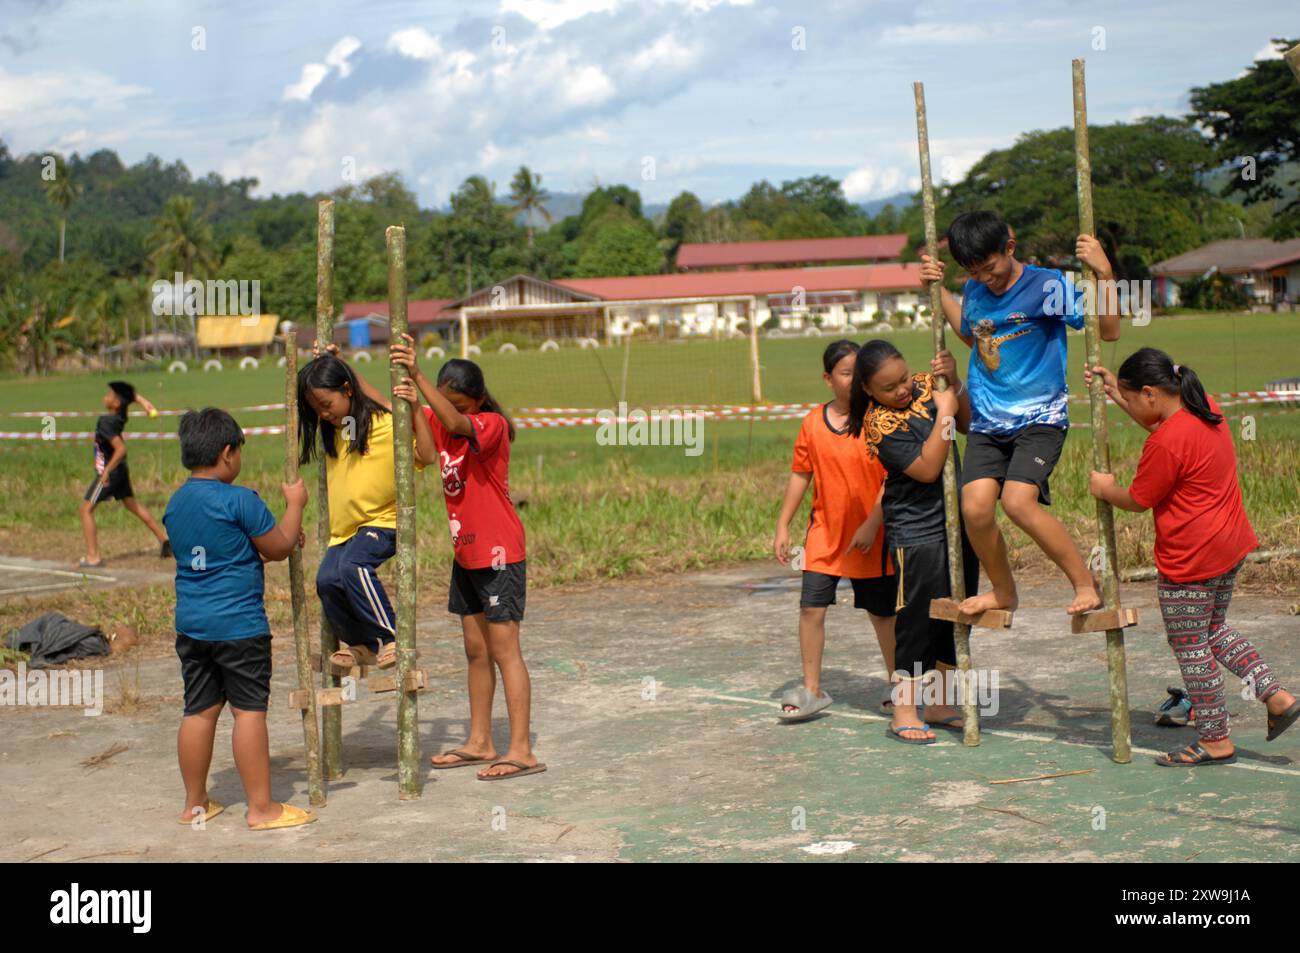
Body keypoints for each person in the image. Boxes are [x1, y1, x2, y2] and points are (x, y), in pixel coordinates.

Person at [1086, 347, 1300, 765]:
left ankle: (1216, 739)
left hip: (1192, 559)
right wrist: (1117, 394)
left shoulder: (1166, 441)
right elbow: (1167, 434)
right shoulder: (1205, 408)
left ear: (1150, 393)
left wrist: (1103, 488)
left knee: (1191, 646)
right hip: (1229, 545)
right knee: (1213, 631)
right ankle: (1276, 696)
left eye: (1131, 400)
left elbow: (1138, 498)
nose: (1130, 406)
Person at [920, 210, 1120, 617]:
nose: (985, 278)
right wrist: (938, 291)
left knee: (1017, 502)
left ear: (1009, 248)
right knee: (973, 508)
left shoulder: (1046, 285)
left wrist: (1105, 273)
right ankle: (1004, 592)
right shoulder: (975, 290)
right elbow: (970, 334)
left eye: (990, 267)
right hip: (987, 423)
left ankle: (1085, 582)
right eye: (973, 272)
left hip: (1040, 418)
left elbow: (1109, 330)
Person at [390, 335, 544, 781]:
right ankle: (480, 741)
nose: (450, 408)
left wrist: (418, 378)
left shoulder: (489, 423)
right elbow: (423, 451)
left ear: (476, 400)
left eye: (459, 402)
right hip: (467, 554)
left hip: (499, 553)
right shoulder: (440, 420)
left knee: (503, 650)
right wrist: (352, 373)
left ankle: (521, 750)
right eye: (445, 399)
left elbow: (457, 423)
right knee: (475, 651)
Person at [164, 407, 315, 829]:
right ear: (228, 453)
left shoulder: (176, 505)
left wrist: (270, 539)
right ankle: (262, 808)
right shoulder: (241, 500)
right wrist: (295, 505)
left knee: (199, 710)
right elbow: (281, 546)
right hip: (240, 627)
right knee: (248, 712)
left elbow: (231, 550)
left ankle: (195, 803)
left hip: (193, 626)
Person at [848, 340, 977, 744]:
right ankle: (904, 710)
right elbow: (926, 468)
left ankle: (938, 704)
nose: (903, 389)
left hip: (959, 522)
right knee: (917, 618)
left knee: (957, 611)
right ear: (869, 390)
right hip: (917, 530)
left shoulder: (928, 385)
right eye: (890, 387)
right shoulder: (878, 424)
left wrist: (954, 384)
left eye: (903, 379)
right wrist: (945, 413)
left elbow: (968, 424)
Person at [773, 339, 897, 720]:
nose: (853, 380)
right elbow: (800, 474)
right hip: (824, 536)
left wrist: (872, 521)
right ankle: (812, 690)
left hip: (872, 538)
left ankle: (900, 687)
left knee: (882, 616)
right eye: (845, 373)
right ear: (828, 378)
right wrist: (782, 524)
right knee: (811, 608)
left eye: (859, 373)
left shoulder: (882, 417)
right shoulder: (813, 423)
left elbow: (894, 477)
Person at [297, 350, 435, 674]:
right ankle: (363, 645)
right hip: (345, 531)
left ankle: (391, 637)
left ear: (346, 390)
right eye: (317, 409)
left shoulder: (387, 425)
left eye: (326, 404)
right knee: (327, 580)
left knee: (354, 566)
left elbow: (427, 454)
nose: (324, 414)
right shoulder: (337, 429)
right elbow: (344, 396)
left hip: (383, 523)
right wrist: (333, 361)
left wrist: (415, 407)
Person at [79, 380, 169, 567]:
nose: (105, 397)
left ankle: (93, 557)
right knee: (132, 505)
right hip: (120, 470)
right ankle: (164, 539)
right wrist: (143, 402)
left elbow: (121, 450)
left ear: (116, 403)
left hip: (109, 472)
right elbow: (130, 397)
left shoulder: (106, 422)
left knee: (85, 510)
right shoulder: (119, 417)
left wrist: (105, 473)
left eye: (109, 395)